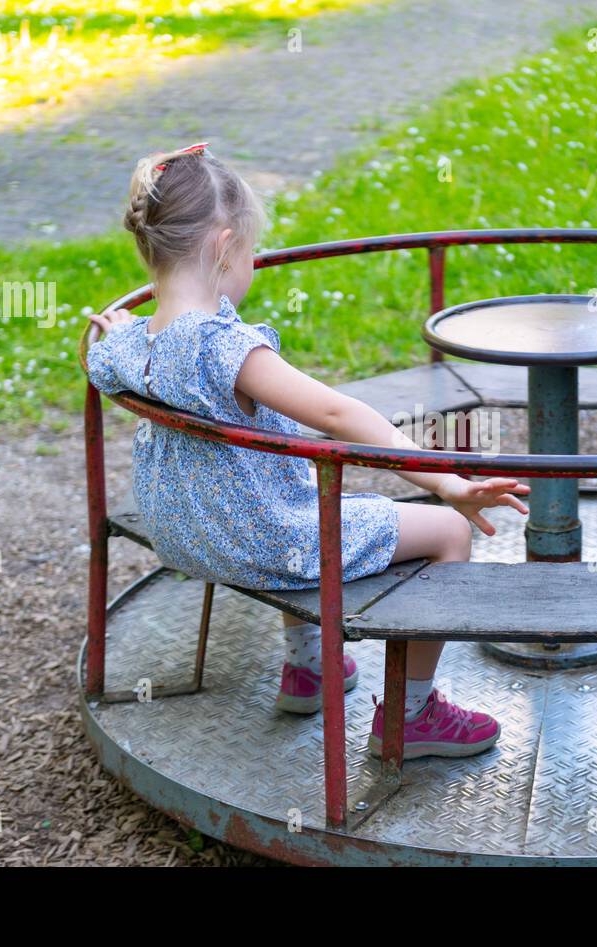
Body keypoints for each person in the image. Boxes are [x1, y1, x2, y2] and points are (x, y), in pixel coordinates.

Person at [86, 143, 529, 759]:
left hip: (185, 532)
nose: (250, 266)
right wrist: (448, 484)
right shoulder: (223, 346)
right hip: (264, 541)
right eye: (248, 253)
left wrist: (115, 333)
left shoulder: (126, 346)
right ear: (221, 248)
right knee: (448, 533)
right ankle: (412, 716)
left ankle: (309, 669)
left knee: (301, 495)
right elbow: (337, 414)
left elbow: (104, 352)